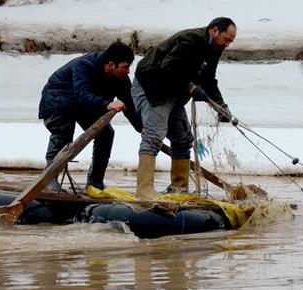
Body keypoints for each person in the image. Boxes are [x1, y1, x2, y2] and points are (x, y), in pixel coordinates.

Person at [131, 17, 236, 199]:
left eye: (230, 42)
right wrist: (192, 88)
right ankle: (144, 191)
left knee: (182, 140)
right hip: (153, 87)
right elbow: (168, 69)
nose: (227, 45)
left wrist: (221, 107)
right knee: (155, 135)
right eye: (227, 39)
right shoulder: (190, 39)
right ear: (214, 31)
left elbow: (209, 79)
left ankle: (179, 190)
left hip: (174, 91)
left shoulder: (215, 48)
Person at [38, 41, 143, 192]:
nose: (128, 72)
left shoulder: (120, 79)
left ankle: (95, 183)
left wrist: (141, 127)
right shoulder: (84, 66)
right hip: (57, 100)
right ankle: (49, 180)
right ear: (111, 65)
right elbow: (82, 94)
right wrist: (107, 104)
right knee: (63, 135)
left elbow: (129, 104)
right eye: (125, 67)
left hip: (82, 105)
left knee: (106, 134)